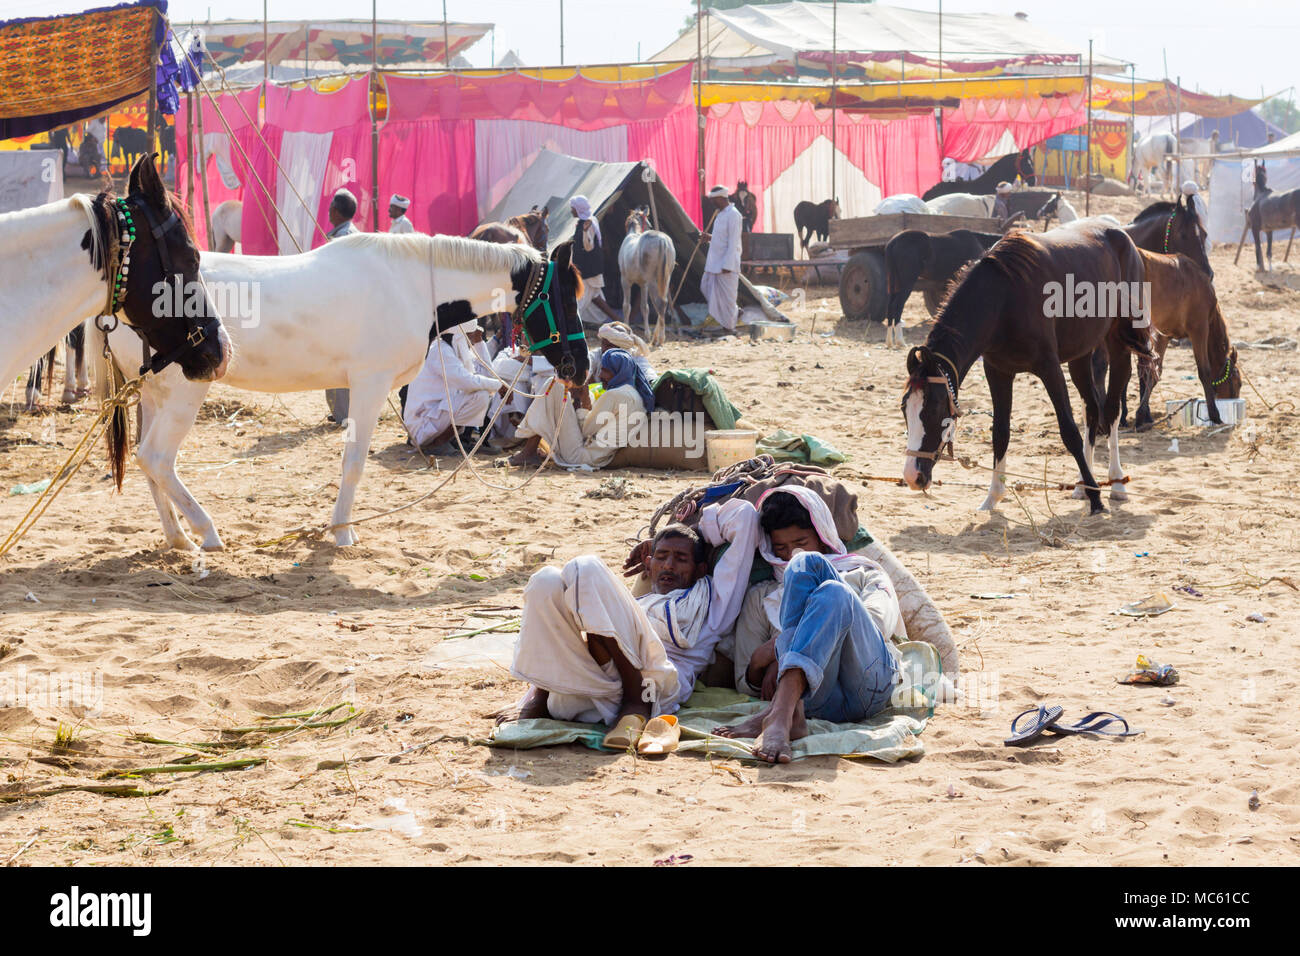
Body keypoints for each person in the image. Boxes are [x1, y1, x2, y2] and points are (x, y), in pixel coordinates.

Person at [500, 498, 760, 747]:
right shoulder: (639, 602)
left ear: (700, 569)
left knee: (585, 566)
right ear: (649, 563)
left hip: (653, 691)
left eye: (681, 559)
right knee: (546, 580)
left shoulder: (713, 603)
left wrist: (690, 532)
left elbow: (744, 517)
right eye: (661, 557)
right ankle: (540, 694)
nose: (669, 565)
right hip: (588, 695)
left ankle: (636, 699)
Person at [716, 487, 903, 763]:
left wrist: (782, 650)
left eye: (801, 542)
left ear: (823, 535)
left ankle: (779, 713)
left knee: (831, 590)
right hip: (813, 701)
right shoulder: (760, 596)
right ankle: (789, 712)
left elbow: (877, 626)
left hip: (869, 685)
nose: (791, 554)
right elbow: (746, 681)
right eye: (780, 548)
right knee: (815, 577)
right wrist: (763, 656)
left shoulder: (865, 575)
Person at [508, 348, 652, 468]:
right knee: (556, 388)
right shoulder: (633, 394)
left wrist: (582, 402)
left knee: (555, 384)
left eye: (605, 370)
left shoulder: (615, 395)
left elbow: (586, 431)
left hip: (581, 456)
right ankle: (530, 450)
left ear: (618, 372)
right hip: (598, 458)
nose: (600, 375)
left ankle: (528, 452)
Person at [402, 315, 501, 455]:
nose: (470, 341)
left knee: (481, 393)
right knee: (480, 396)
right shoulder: (440, 350)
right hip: (423, 424)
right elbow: (468, 382)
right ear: (460, 336)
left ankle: (450, 441)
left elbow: (487, 375)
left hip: (434, 416)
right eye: (470, 336)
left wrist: (479, 342)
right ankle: (438, 443)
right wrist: (499, 385)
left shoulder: (452, 349)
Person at [569, 196, 621, 324]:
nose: (571, 211)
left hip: (587, 270)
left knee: (579, 301)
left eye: (573, 208)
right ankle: (619, 321)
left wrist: (586, 232)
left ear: (578, 209)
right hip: (587, 268)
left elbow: (588, 246)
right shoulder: (584, 222)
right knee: (596, 297)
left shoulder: (588, 223)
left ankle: (571, 325)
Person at [700, 184, 743, 332]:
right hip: (714, 263)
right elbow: (722, 238)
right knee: (705, 287)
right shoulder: (721, 214)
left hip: (727, 264)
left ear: (720, 198)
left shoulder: (734, 214)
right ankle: (735, 313)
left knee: (728, 298)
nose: (712, 203)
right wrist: (709, 238)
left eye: (714, 200)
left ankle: (729, 327)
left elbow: (733, 241)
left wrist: (728, 265)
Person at [1182, 180, 1211, 258]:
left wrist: (1199, 231)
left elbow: (1199, 215)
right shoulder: (1198, 198)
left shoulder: (1193, 200)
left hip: (1199, 233)